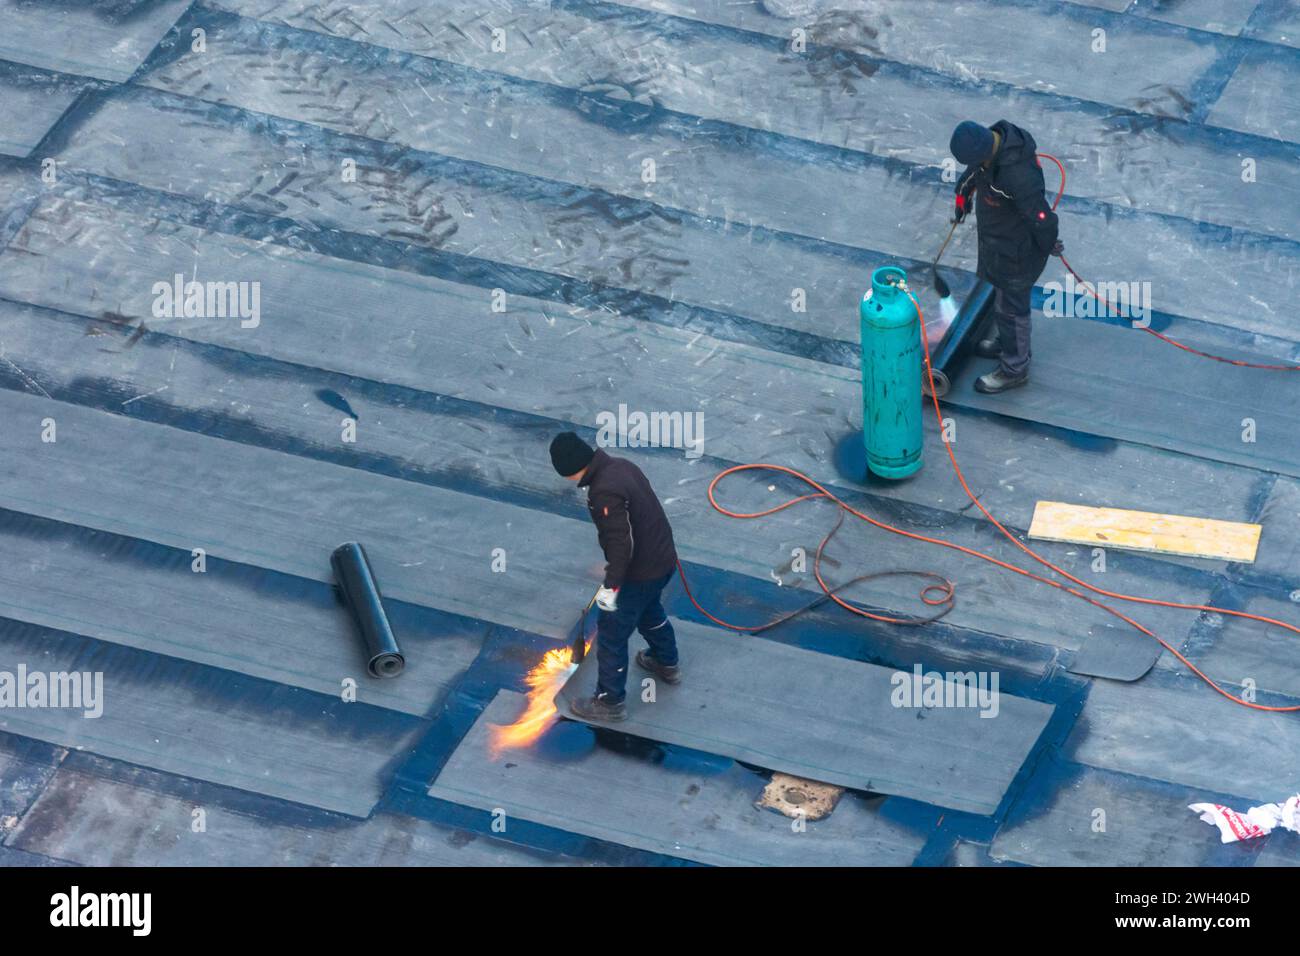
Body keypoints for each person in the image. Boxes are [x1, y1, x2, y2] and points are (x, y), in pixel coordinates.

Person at [549, 432, 680, 722]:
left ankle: (610, 702)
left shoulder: (603, 491)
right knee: (649, 610)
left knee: (611, 632)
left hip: (639, 572)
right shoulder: (622, 466)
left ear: (569, 468)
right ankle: (666, 661)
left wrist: (612, 586)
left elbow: (622, 545)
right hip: (663, 560)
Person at [950, 120, 1064, 394]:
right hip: (998, 243)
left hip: (1018, 253)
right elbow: (973, 173)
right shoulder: (991, 143)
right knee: (1003, 303)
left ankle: (1015, 369)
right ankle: (1008, 342)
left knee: (1012, 310)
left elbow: (1042, 218)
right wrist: (962, 196)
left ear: (984, 153)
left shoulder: (1018, 177)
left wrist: (1049, 243)